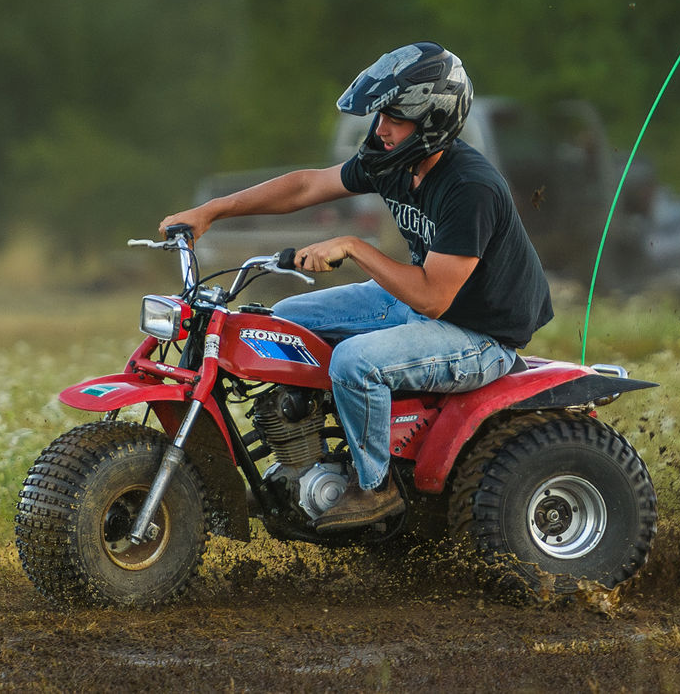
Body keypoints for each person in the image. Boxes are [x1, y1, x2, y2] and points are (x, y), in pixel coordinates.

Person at [159, 42, 553, 532]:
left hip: (479, 335)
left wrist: (355, 247)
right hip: (419, 309)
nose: (381, 128)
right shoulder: (393, 160)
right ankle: (304, 461)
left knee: (355, 362)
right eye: (381, 115)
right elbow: (305, 187)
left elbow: (434, 296)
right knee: (284, 323)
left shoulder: (469, 187)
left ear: (432, 121)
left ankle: (375, 487)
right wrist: (211, 211)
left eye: (395, 118)